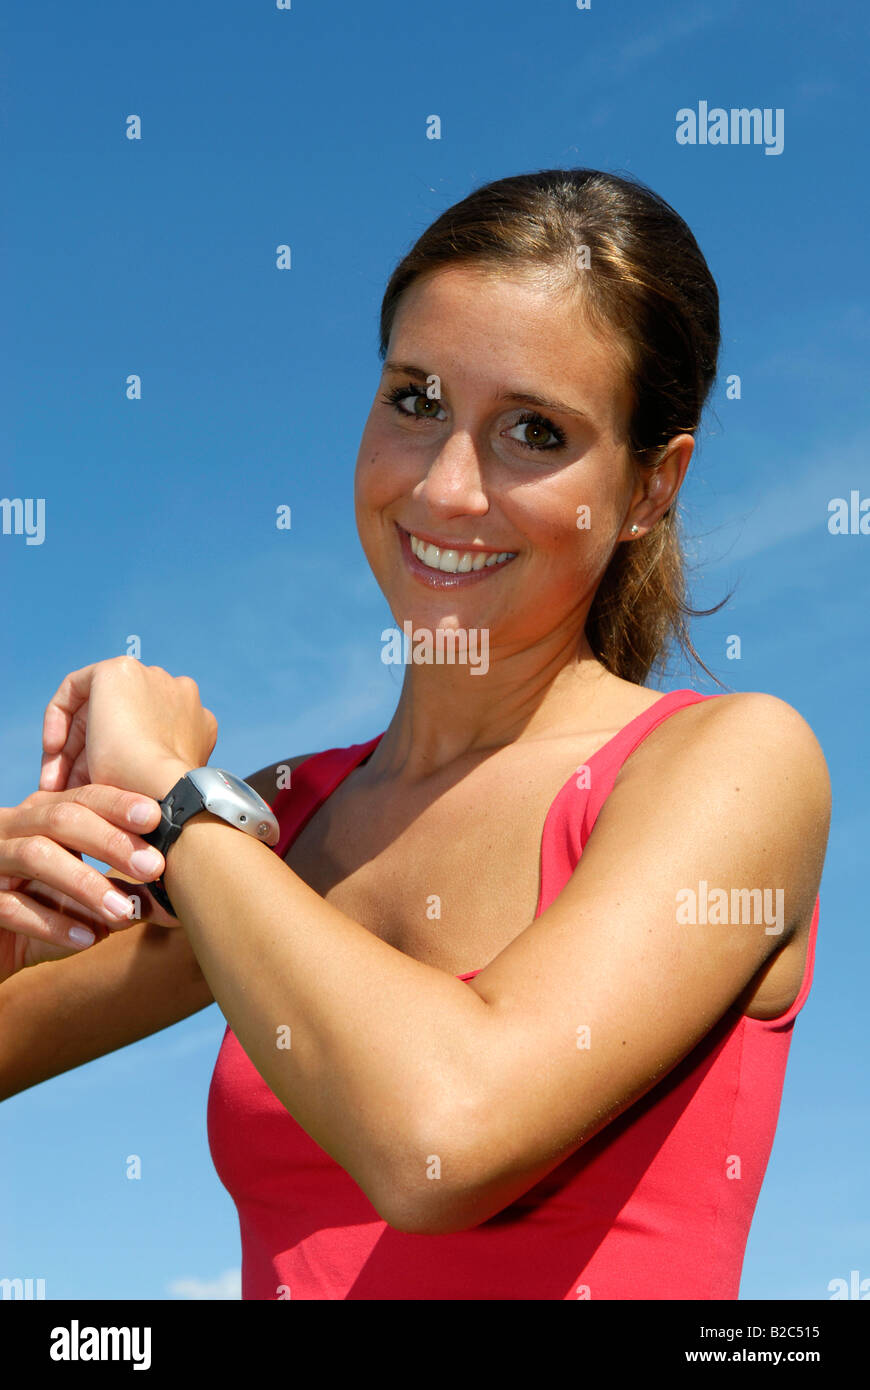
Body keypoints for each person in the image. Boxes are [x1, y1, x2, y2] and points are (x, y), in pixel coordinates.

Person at [0, 168, 830, 1299]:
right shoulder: (277, 819)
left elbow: (443, 1138)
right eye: (417, 400)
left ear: (649, 489)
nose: (446, 488)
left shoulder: (729, 765)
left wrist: (168, 784)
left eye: (533, 431)